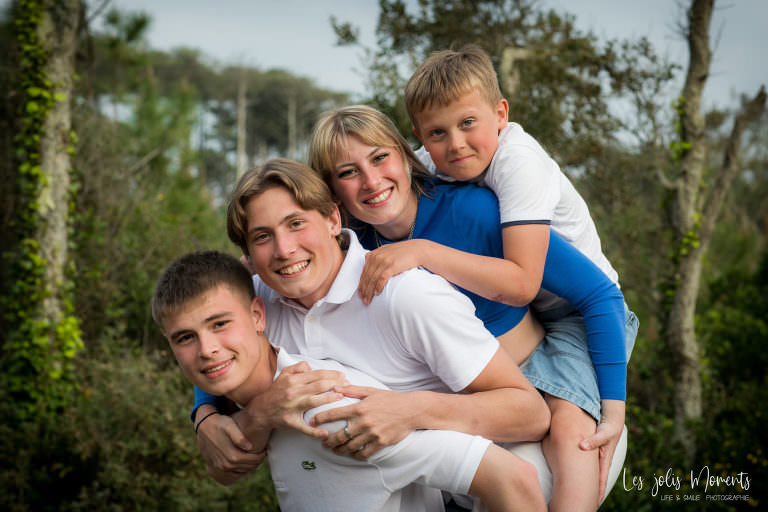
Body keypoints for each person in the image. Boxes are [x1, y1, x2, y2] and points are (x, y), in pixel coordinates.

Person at [308, 104, 638, 511]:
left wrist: (613, 408)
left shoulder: (474, 211)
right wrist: (208, 409)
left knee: (565, 456)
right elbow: (260, 295)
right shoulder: (351, 247)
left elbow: (597, 293)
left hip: (541, 386)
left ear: (403, 155)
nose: (371, 181)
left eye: (379, 158)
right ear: (332, 192)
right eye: (347, 172)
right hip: (462, 418)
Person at [192, 158, 550, 510]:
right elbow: (203, 341)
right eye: (263, 237)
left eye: (296, 223)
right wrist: (205, 414)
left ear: (333, 219)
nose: (284, 249)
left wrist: (413, 410)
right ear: (248, 257)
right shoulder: (260, 307)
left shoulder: (407, 296)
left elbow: (530, 414)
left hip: (491, 486)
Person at [153, 250, 541, 512]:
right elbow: (224, 468)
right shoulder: (252, 406)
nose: (206, 349)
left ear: (258, 316)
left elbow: (513, 480)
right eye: (185, 338)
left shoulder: (331, 406)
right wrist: (206, 414)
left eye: (220, 325)